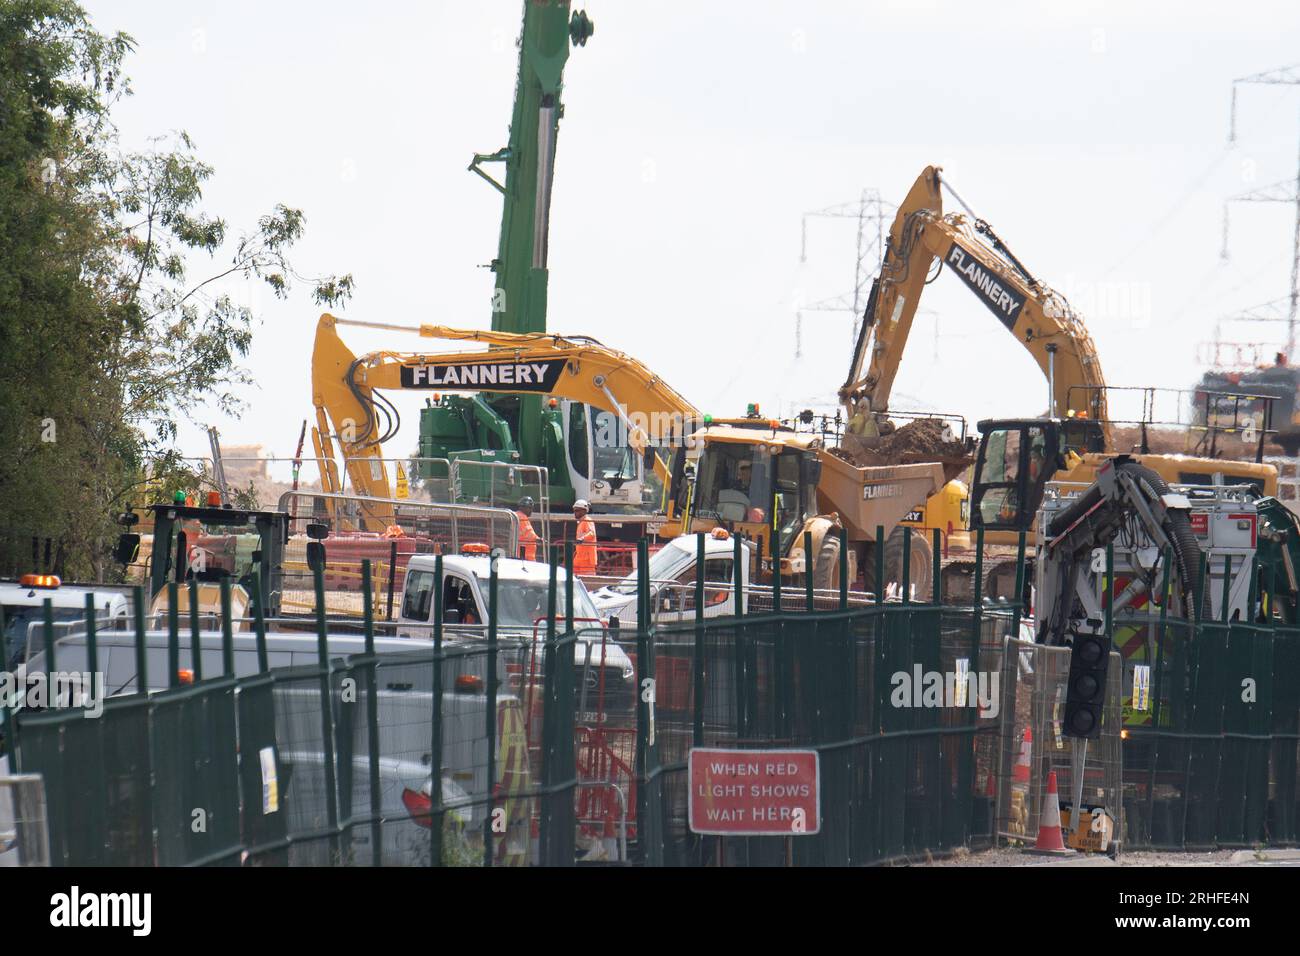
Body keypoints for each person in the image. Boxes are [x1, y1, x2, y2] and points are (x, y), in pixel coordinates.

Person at [572, 499, 597, 577]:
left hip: (587, 559)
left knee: (587, 581)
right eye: (574, 510)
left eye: (577, 510)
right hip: (580, 557)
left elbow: (592, 533)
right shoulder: (581, 522)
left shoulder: (587, 520)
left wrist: (582, 538)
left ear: (584, 511)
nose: (575, 513)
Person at [515, 496, 540, 561]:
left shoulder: (517, 516)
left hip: (522, 555)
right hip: (525, 557)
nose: (531, 510)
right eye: (529, 508)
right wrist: (539, 539)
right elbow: (528, 533)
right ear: (523, 507)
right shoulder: (522, 517)